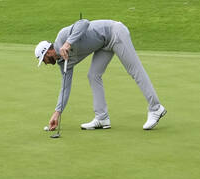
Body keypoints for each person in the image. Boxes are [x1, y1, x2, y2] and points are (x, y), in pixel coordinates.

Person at [37, 19, 165, 131]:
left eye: (44, 60)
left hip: (115, 32)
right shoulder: (63, 63)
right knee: (93, 75)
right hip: (104, 45)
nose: (46, 63)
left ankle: (155, 107)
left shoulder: (62, 36)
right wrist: (57, 113)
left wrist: (68, 43)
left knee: (135, 70)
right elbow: (65, 88)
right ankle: (102, 117)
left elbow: (84, 23)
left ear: (47, 52)